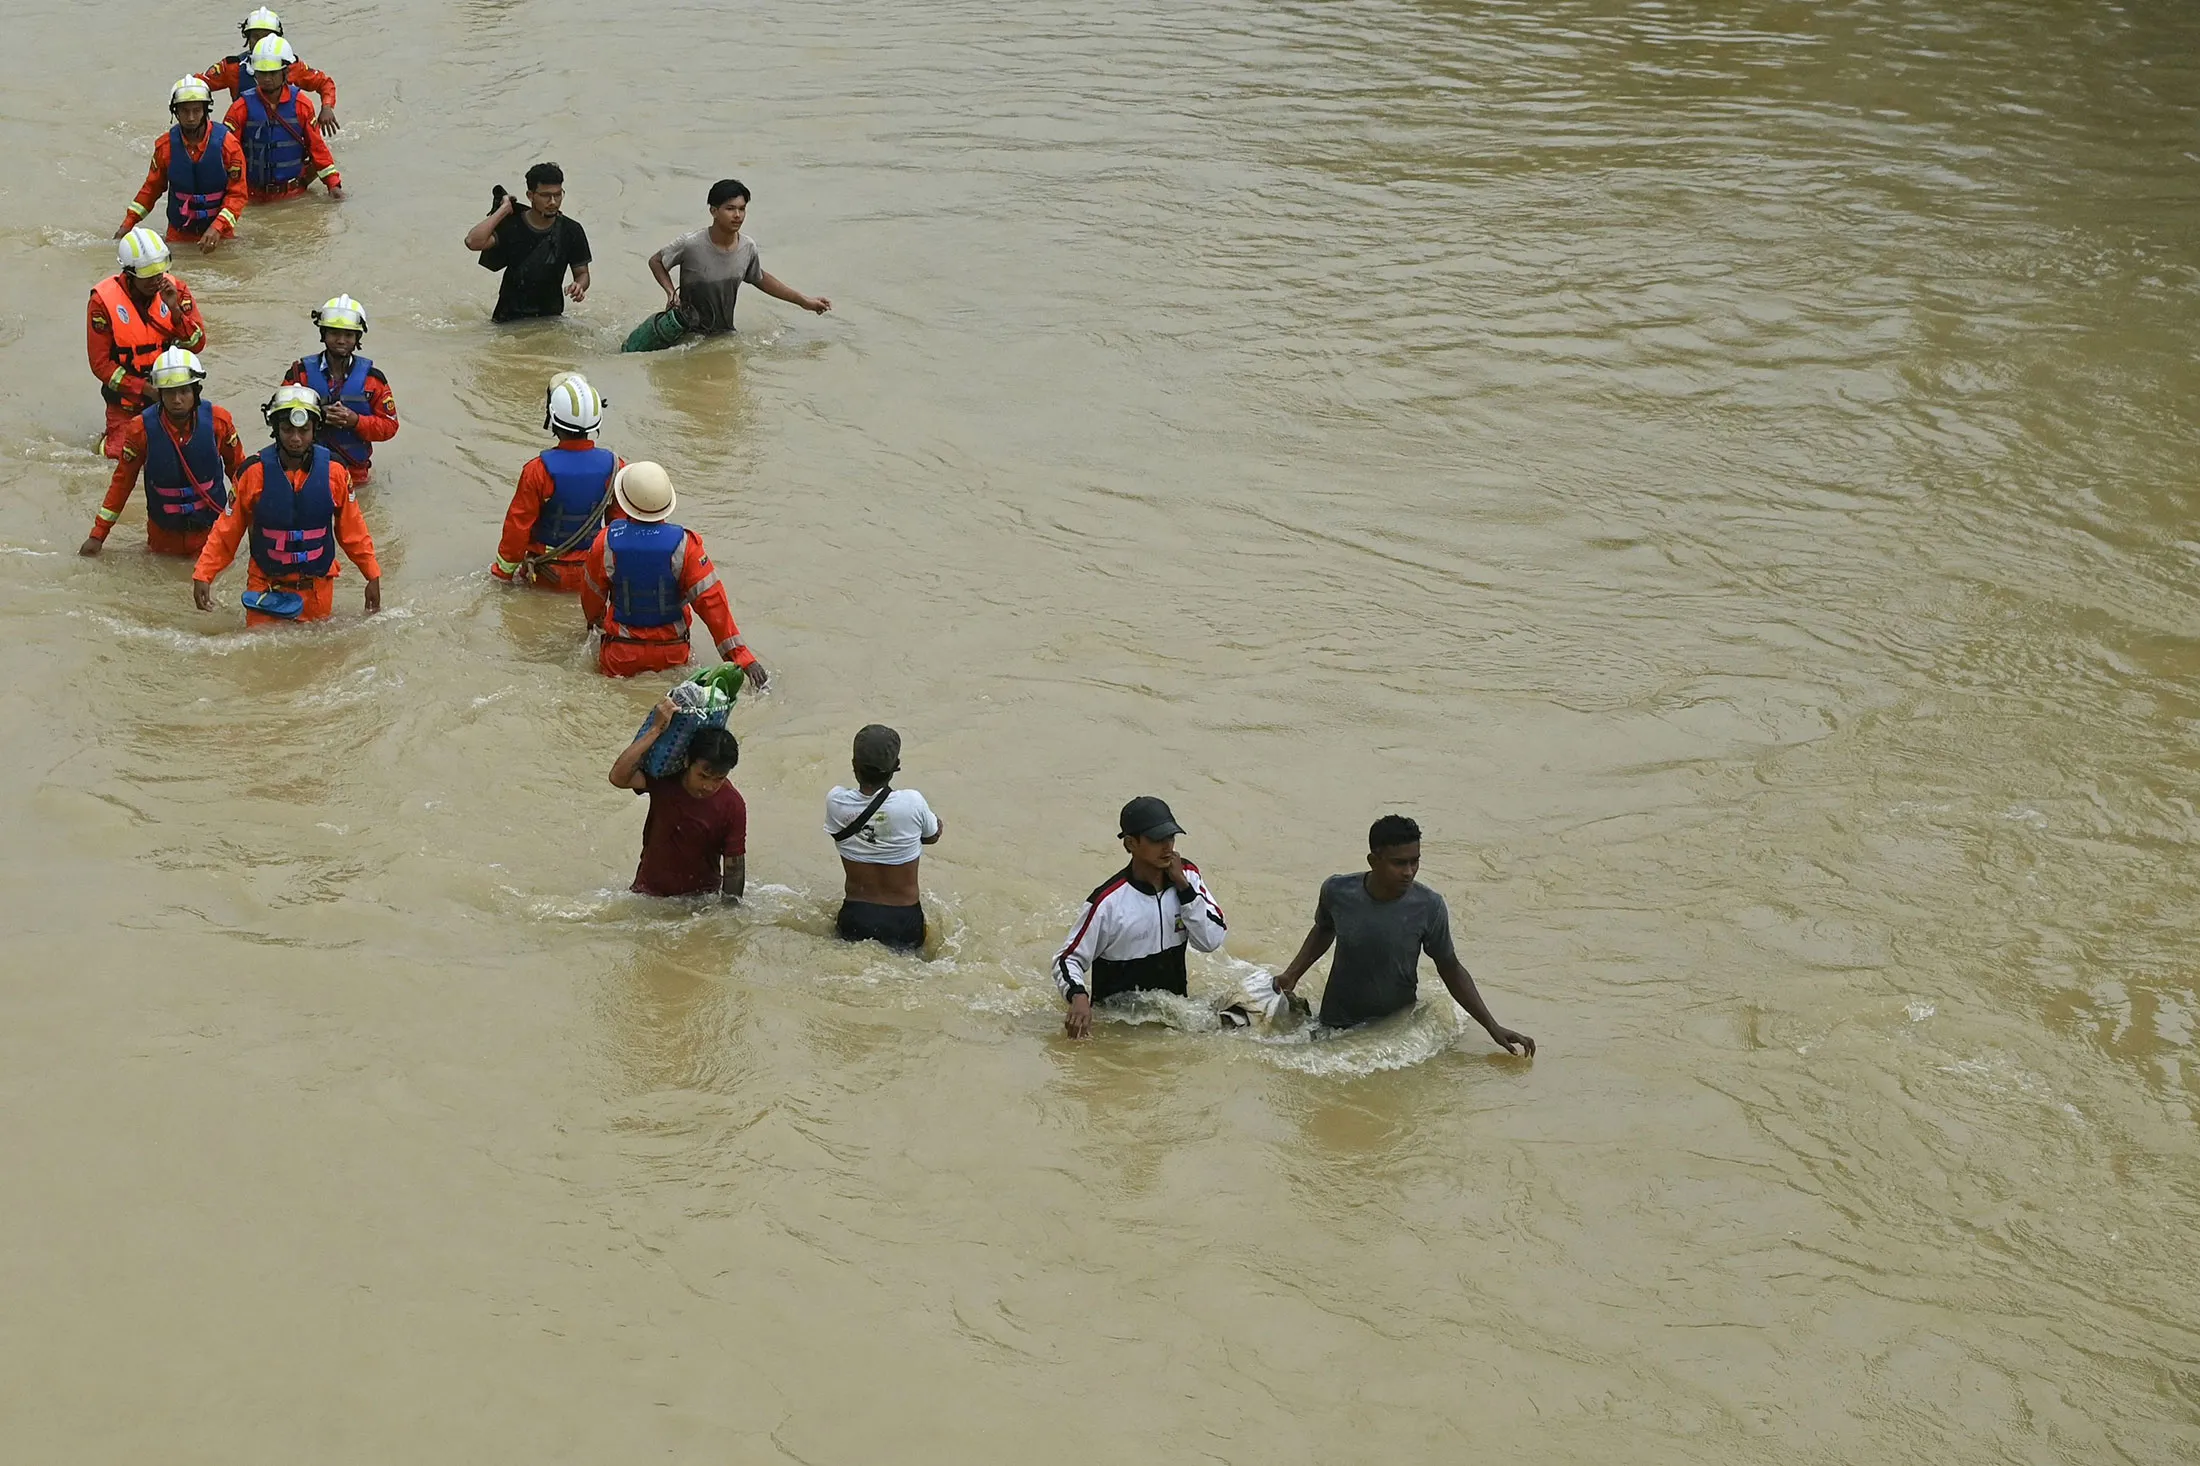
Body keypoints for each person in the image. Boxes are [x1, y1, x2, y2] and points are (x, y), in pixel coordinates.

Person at [1269, 816, 1536, 1055]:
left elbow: (1450, 967)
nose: (1409, 871)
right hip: (1336, 1023)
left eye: (1415, 861)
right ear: (1374, 861)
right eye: (1399, 863)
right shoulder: (1338, 892)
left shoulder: (1429, 906)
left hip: (1396, 1033)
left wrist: (1492, 1026)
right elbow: (1324, 930)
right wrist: (1292, 974)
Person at [192, 385, 382, 626]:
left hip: (317, 591)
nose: (295, 438)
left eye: (303, 430)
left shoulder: (335, 472)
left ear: (315, 430)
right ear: (275, 429)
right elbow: (226, 532)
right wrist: (203, 574)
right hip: (265, 589)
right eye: (287, 429)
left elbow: (352, 530)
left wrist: (372, 575)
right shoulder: (252, 473)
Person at [1053, 797, 1228, 1039]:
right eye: (1157, 840)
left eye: (1171, 837)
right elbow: (1067, 959)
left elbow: (1210, 941)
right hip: (1117, 1028)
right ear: (1130, 844)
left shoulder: (1188, 877)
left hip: (1174, 1023)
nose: (1167, 846)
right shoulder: (1108, 903)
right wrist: (1078, 996)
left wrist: (1185, 890)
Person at [579, 462, 769, 683]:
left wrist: (594, 624)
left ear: (624, 500)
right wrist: (743, 657)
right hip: (672, 656)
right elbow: (713, 605)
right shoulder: (686, 545)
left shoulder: (605, 542)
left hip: (620, 656)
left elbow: (592, 599)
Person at [79, 349, 244, 559]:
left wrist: (250, 523)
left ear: (196, 391)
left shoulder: (219, 422)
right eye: (169, 392)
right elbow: (122, 483)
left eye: (184, 391)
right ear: (159, 394)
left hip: (212, 535)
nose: (177, 399)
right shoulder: (140, 430)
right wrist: (98, 535)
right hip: (163, 540)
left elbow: (241, 472)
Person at [634, 179, 830, 348]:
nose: (738, 215)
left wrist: (805, 301)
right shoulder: (691, 243)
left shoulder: (747, 247)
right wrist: (670, 292)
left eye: (742, 209)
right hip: (687, 336)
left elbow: (760, 279)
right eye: (730, 209)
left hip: (724, 335)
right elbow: (656, 261)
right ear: (713, 211)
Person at [491, 373, 625, 591]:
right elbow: (620, 528)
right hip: (593, 575)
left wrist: (502, 575)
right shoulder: (617, 467)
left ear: (552, 418)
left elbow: (517, 528)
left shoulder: (537, 470)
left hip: (545, 574)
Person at [87, 229, 208, 460]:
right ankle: (109, 437)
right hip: (127, 403)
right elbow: (101, 365)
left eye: (159, 271)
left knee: (190, 453)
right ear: (129, 273)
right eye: (148, 274)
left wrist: (175, 311)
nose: (157, 280)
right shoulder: (102, 301)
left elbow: (197, 343)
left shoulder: (176, 290)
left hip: (174, 396)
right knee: (119, 457)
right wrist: (144, 389)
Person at [824, 725, 943, 953]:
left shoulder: (836, 801)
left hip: (855, 915)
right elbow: (933, 834)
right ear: (896, 766)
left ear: (853, 765)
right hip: (904, 920)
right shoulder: (912, 802)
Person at [610, 713, 746, 902]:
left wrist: (729, 916)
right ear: (686, 761)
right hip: (647, 895)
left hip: (699, 902)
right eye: (703, 776)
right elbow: (618, 777)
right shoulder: (664, 779)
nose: (709, 786)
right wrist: (655, 730)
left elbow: (734, 867)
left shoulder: (733, 804)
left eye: (719, 779)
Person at [116, 77, 247, 252]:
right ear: (175, 112)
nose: (191, 117)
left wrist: (218, 227)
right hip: (178, 235)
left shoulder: (228, 145)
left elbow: (238, 194)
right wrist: (127, 225)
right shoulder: (165, 147)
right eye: (185, 111)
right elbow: (151, 189)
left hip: (220, 234)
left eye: (196, 110)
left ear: (205, 110)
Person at [280, 295, 397, 484]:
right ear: (323, 334)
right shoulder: (299, 375)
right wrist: (317, 415)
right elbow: (279, 419)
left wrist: (356, 421)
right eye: (334, 333)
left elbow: (390, 426)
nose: (341, 340)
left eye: (348, 335)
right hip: (305, 472)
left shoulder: (373, 380)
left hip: (354, 476)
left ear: (357, 337)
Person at [464, 163, 591, 323]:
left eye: (558, 195)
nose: (553, 201)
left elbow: (582, 274)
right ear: (530, 195)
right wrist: (503, 210)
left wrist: (579, 286)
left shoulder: (571, 230)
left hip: (550, 320)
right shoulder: (512, 225)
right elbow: (473, 242)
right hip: (507, 320)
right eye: (545, 195)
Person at [225, 37, 343, 205]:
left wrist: (333, 185)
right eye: (262, 73)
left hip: (295, 197)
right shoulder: (240, 108)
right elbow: (225, 154)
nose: (267, 78)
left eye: (272, 73)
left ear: (285, 73)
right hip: (252, 197)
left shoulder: (302, 105)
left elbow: (318, 149)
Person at [199, 8, 340, 134]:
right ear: (247, 39)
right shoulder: (232, 67)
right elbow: (197, 85)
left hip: (286, 133)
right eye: (255, 36)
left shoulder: (291, 66)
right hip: (247, 135)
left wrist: (327, 107)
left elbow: (324, 83)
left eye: (266, 36)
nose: (261, 42)